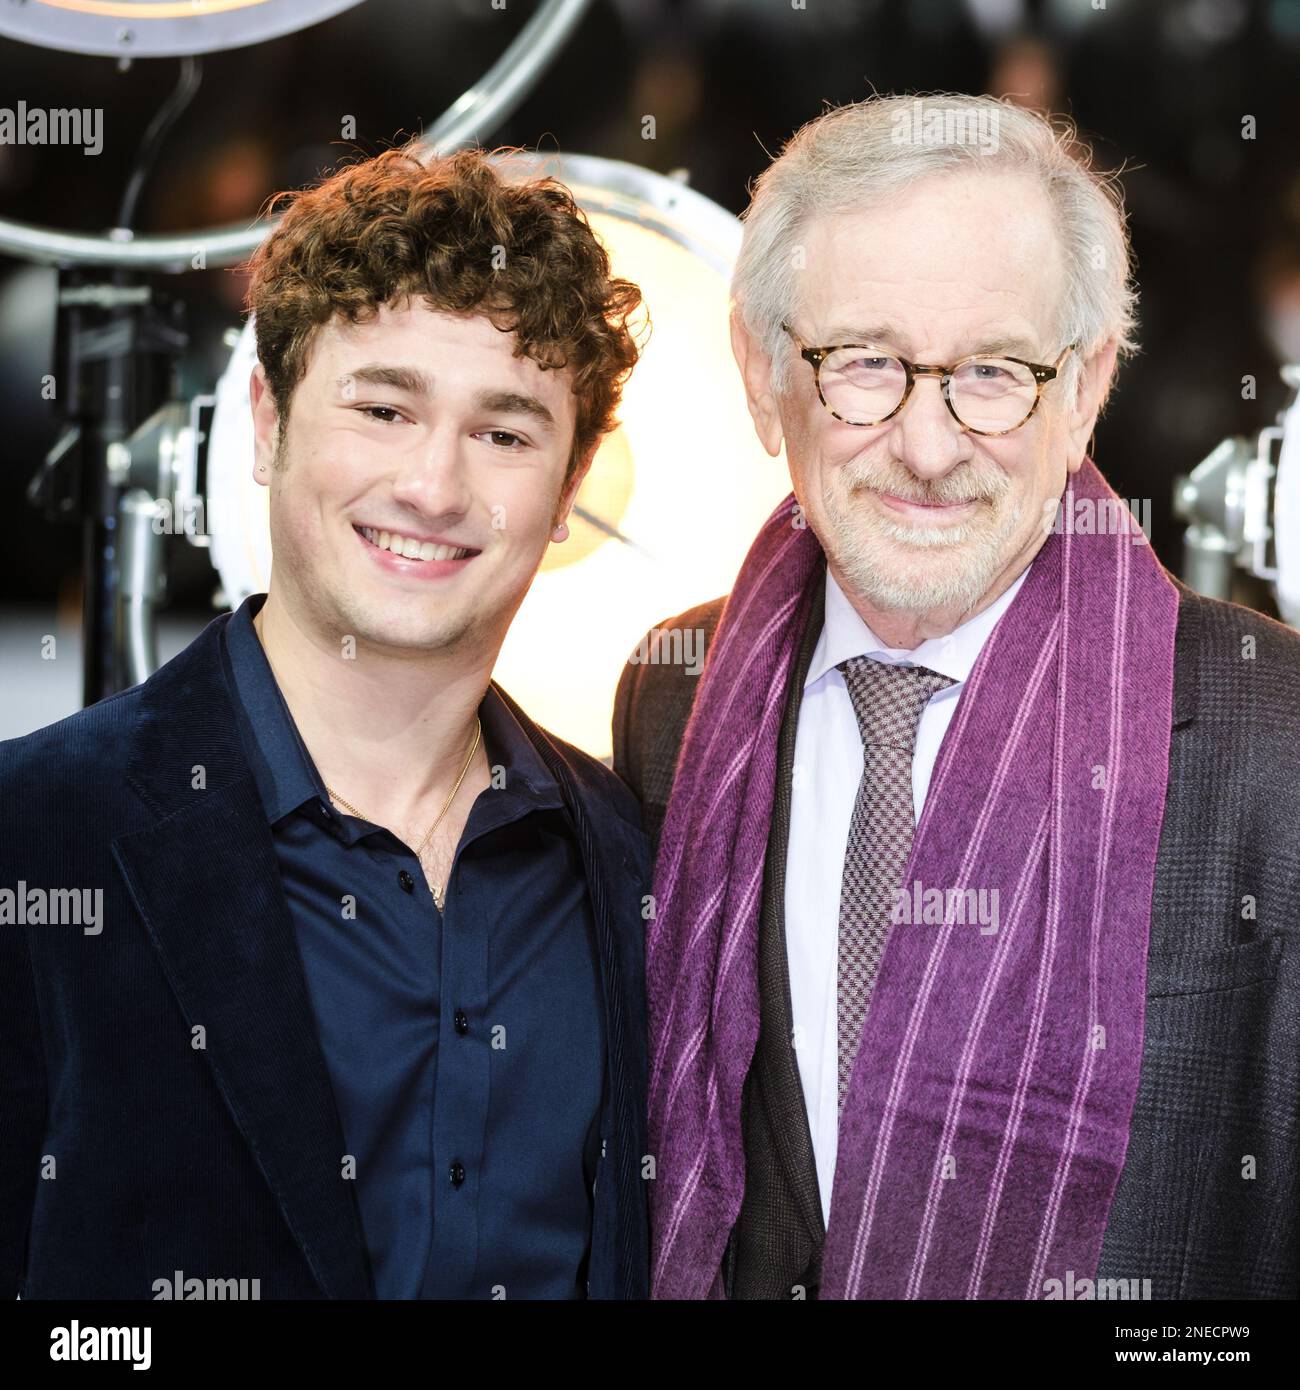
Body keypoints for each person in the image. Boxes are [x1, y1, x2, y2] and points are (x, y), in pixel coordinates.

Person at [614, 93, 1300, 1300]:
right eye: (864, 364)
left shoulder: (1271, 736)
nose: (927, 450)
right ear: (764, 370)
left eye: (992, 371)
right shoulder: (672, 704)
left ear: (1085, 386)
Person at [0, 143, 651, 1300]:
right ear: (263, 417)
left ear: (571, 487)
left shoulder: (642, 862)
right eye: (384, 407)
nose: (434, 487)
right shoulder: (34, 835)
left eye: (503, 433)